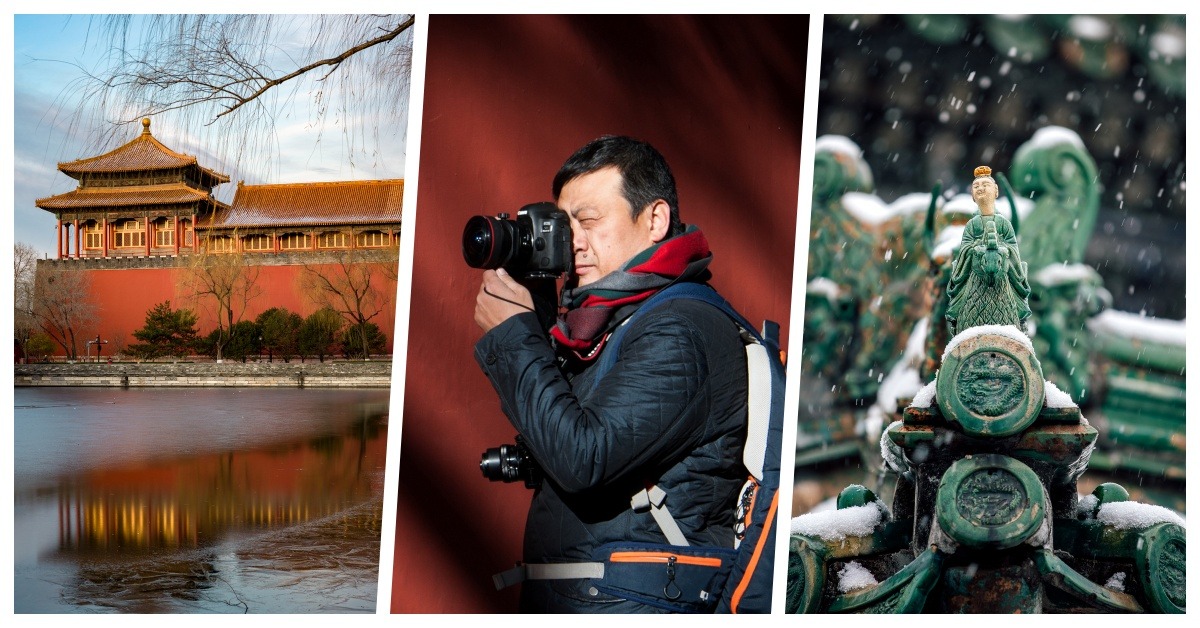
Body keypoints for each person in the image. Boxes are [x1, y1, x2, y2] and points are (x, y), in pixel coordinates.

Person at [472, 136, 749, 612]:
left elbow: (584, 458)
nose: (573, 241)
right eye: (565, 224)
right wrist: (537, 315)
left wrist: (515, 340)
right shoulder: (616, 322)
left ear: (655, 220)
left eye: (589, 221)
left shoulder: (681, 330)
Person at [946, 165, 1032, 335]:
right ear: (972, 196)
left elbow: (1012, 246)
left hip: (1001, 269)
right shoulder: (972, 225)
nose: (981, 188)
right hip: (978, 270)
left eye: (986, 185)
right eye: (976, 186)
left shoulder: (1004, 223)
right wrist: (975, 248)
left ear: (996, 191)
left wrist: (1002, 249)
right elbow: (966, 247)